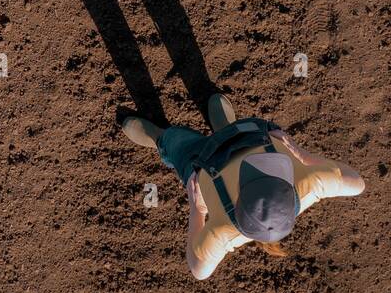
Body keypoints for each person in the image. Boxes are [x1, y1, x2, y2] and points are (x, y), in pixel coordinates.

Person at [122, 93, 365, 280]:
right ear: (290, 193)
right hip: (246, 135)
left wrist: (198, 211)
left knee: (176, 142)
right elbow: (358, 184)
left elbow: (198, 270)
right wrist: (304, 155)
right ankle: (224, 126)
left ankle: (160, 138)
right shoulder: (311, 186)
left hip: (201, 161)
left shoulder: (224, 232)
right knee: (223, 130)